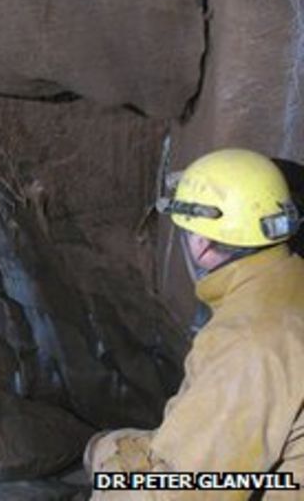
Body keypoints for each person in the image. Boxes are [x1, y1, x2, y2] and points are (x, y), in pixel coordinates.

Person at [84, 148, 304, 500]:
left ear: (201, 244)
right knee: (105, 448)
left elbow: (184, 491)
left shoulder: (248, 342)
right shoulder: (287, 282)